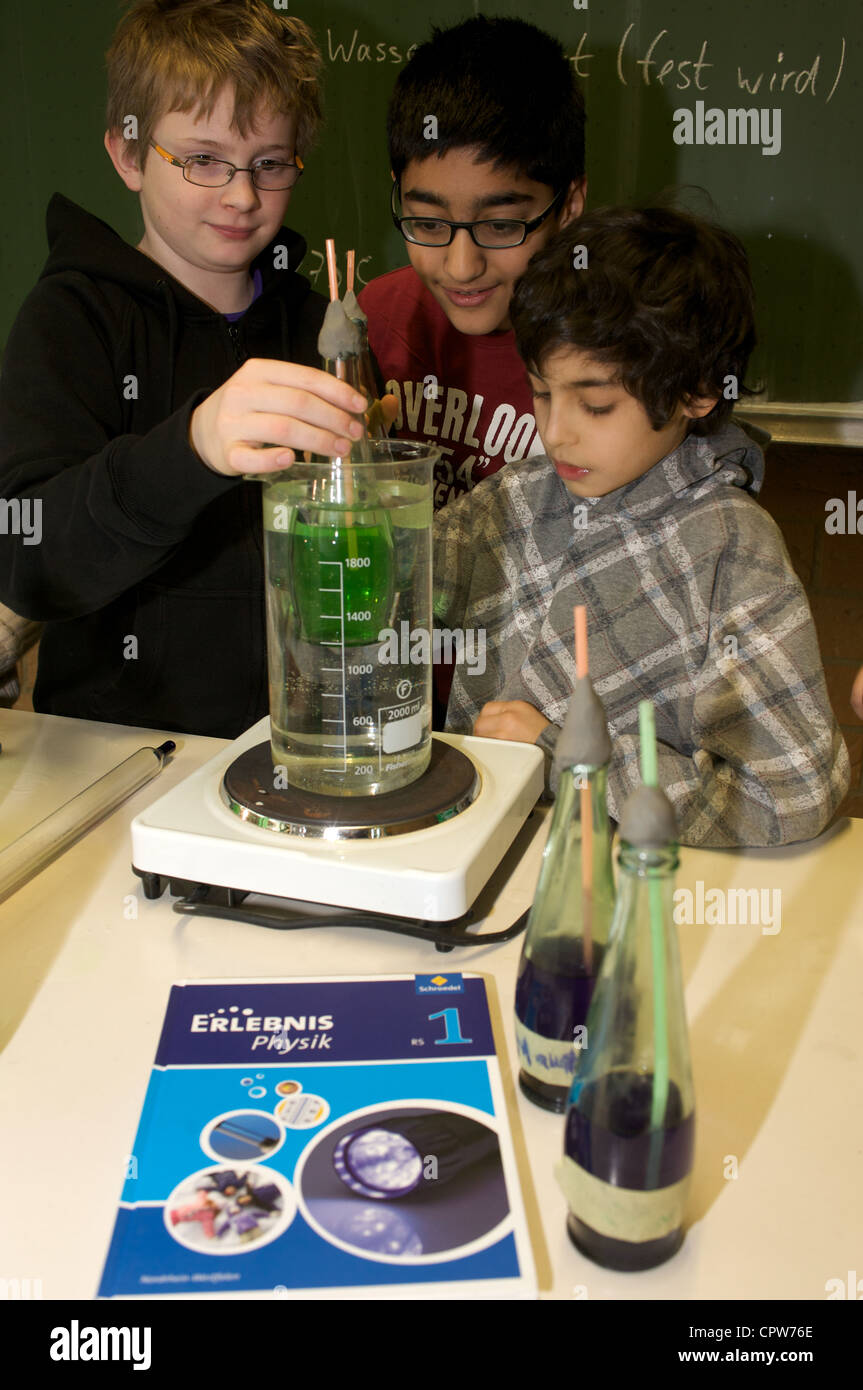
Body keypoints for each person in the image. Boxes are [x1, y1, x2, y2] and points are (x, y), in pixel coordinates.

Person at [0, 0, 368, 738]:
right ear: (129, 155)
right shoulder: (73, 317)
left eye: (269, 163)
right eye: (201, 160)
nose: (241, 195)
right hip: (119, 754)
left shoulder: (319, 324)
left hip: (301, 746)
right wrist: (194, 446)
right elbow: (29, 555)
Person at [433, 207, 850, 846]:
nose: (556, 430)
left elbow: (788, 793)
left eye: (596, 403)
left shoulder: (730, 549)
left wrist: (566, 759)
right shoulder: (515, 497)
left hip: (636, 888)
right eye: (542, 392)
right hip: (481, 856)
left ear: (698, 391)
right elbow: (390, 590)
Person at [358, 15, 586, 512]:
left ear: (569, 205)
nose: (461, 268)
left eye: (502, 226)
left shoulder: (610, 349)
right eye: (430, 222)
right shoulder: (376, 318)